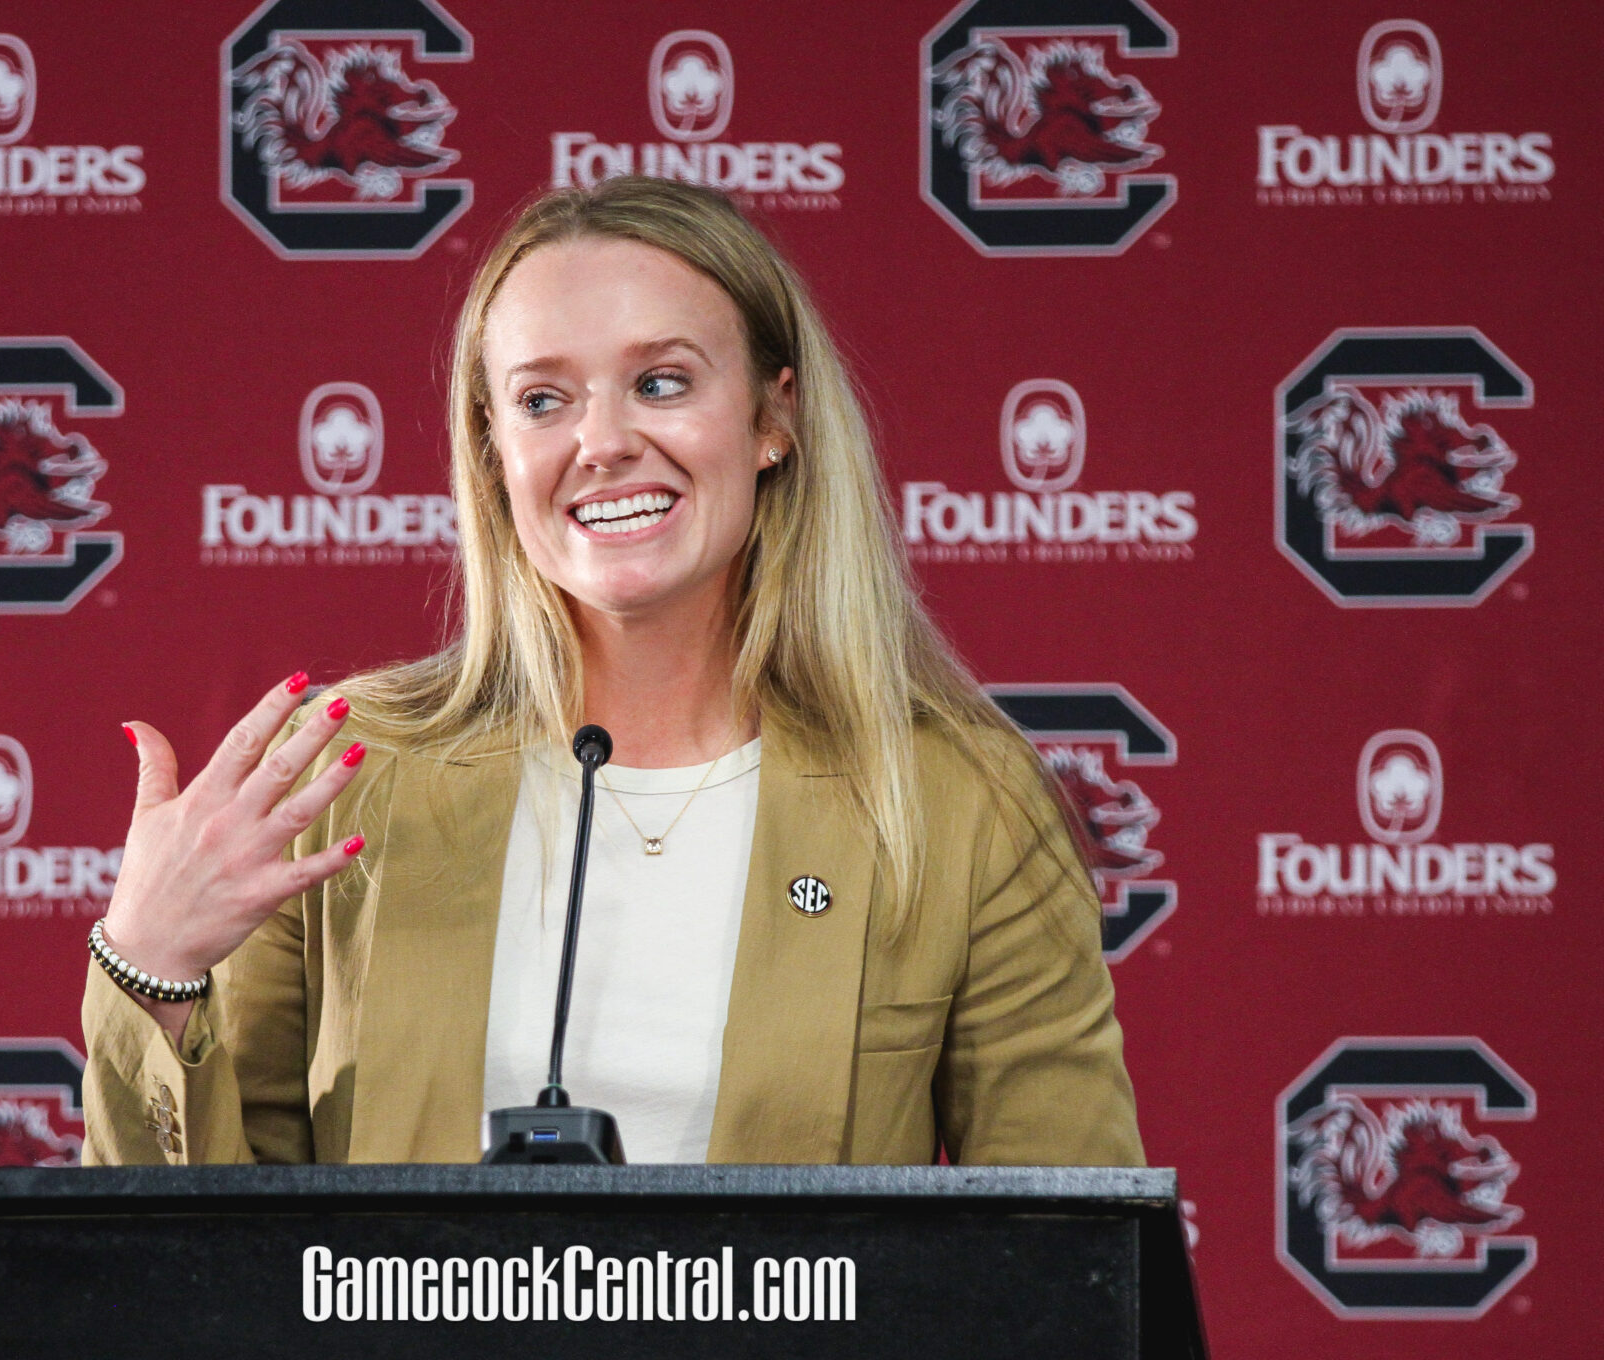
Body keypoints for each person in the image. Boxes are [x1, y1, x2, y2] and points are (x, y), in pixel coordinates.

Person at [82, 177, 1142, 1168]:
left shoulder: (960, 803)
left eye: (660, 382)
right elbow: (194, 1265)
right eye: (543, 401)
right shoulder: (345, 769)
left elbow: (1065, 1267)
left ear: (774, 419)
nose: (600, 442)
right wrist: (151, 966)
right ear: (492, 451)